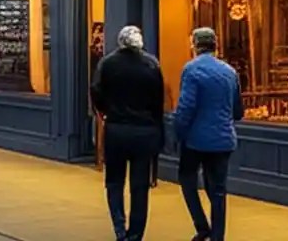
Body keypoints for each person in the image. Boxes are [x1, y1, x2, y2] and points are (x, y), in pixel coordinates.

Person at [90, 26, 165, 241]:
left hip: (117, 129)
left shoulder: (107, 63)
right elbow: (159, 101)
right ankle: (135, 234)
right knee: (140, 187)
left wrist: (105, 111)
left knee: (114, 182)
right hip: (145, 131)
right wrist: (159, 130)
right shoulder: (152, 64)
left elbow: (96, 91)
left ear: (120, 41)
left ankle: (119, 228)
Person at [172, 28, 243, 241]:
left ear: (194, 45)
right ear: (216, 45)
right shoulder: (230, 71)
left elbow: (186, 107)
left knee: (187, 179)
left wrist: (178, 133)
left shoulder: (192, 70)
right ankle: (218, 235)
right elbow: (238, 110)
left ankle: (202, 226)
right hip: (223, 139)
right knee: (218, 189)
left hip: (196, 139)